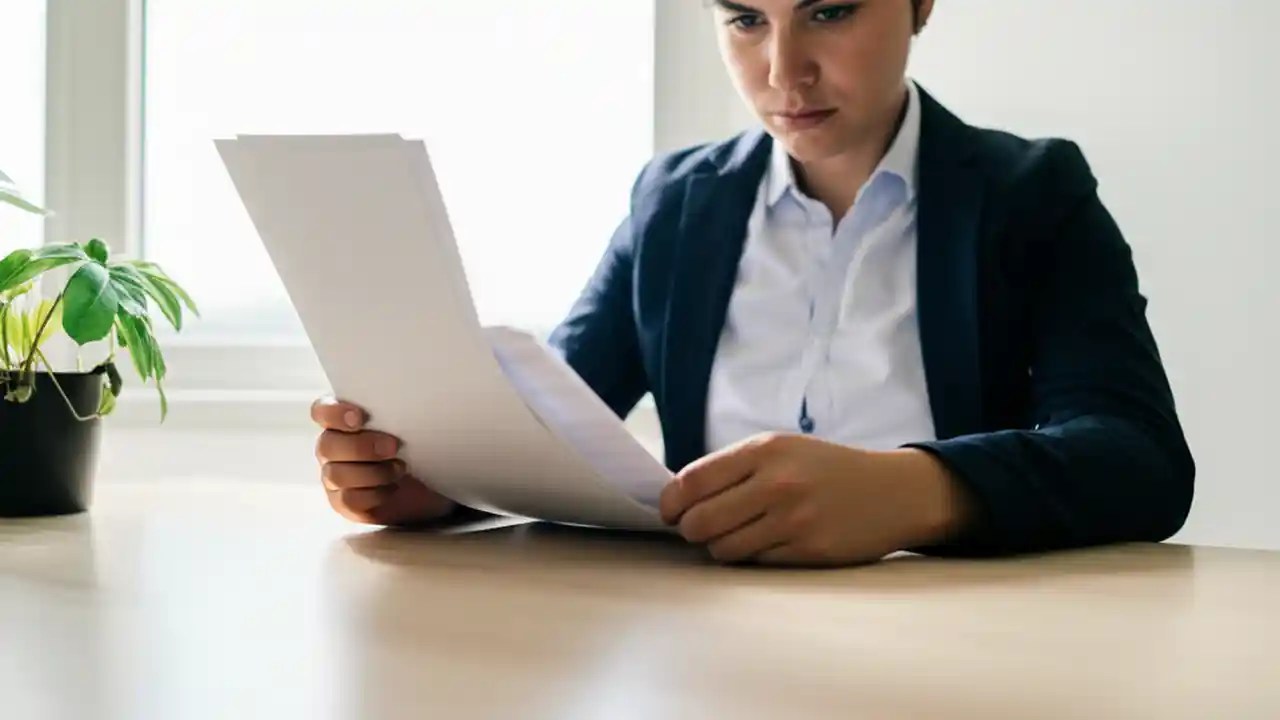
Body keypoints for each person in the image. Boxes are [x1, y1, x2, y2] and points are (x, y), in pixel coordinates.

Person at [311, 0, 1195, 567]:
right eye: (744, 20)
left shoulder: (1031, 193)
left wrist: (914, 492)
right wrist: (446, 481)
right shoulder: (674, 202)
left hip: (956, 649)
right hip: (713, 646)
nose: (782, 72)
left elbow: (1141, 458)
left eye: (830, 12)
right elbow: (560, 425)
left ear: (923, 3)